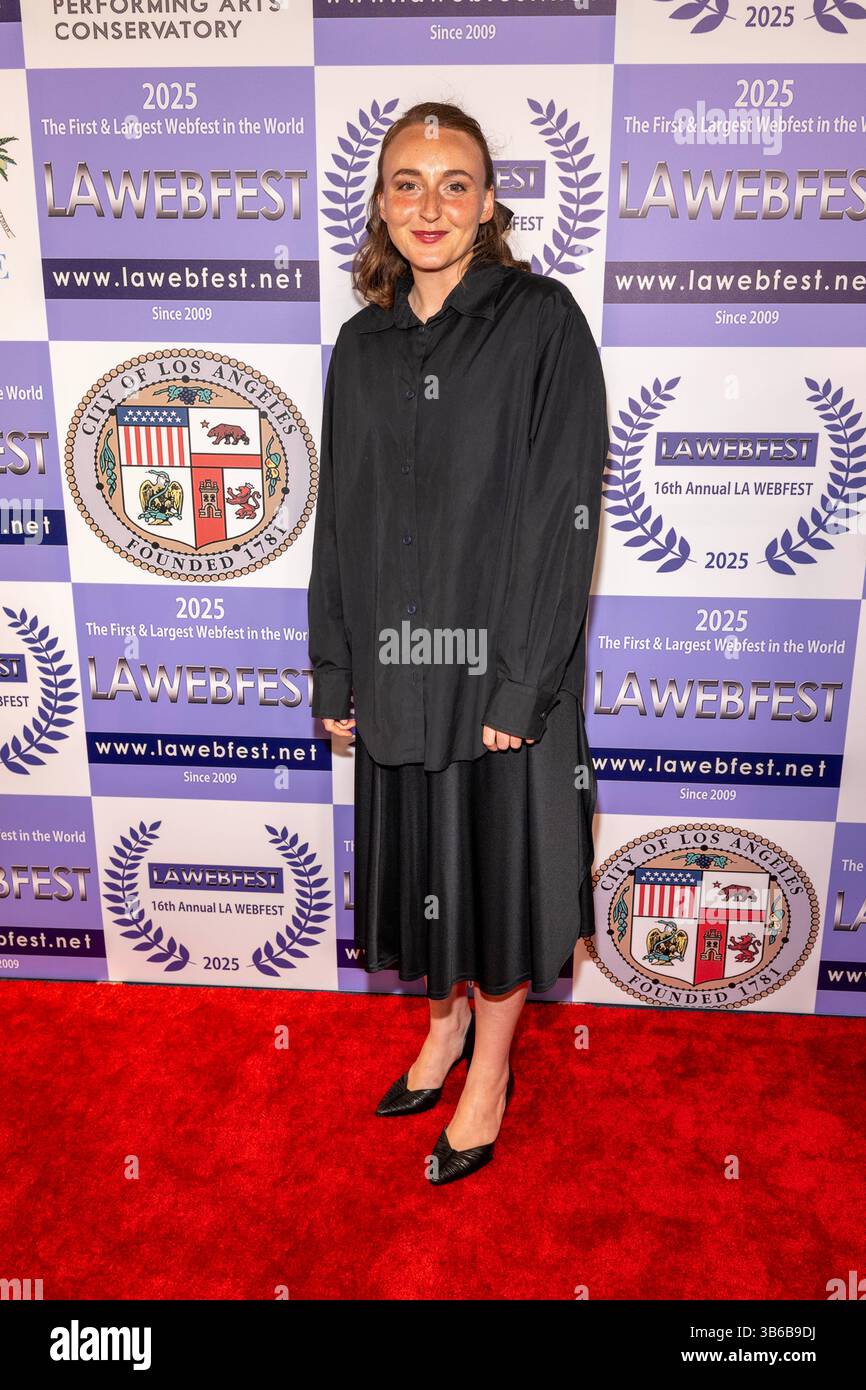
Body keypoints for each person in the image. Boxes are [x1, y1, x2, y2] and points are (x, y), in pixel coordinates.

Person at [307, 101, 609, 1186]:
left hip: (500, 674)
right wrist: (334, 665)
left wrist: (523, 683)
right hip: (394, 671)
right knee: (426, 874)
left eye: (452, 183)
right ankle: (439, 1032)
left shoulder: (541, 322)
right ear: (379, 205)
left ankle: (489, 1072)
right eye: (405, 182)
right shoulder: (361, 341)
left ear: (487, 205)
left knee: (500, 879)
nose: (427, 205)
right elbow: (336, 515)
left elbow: (562, 510)